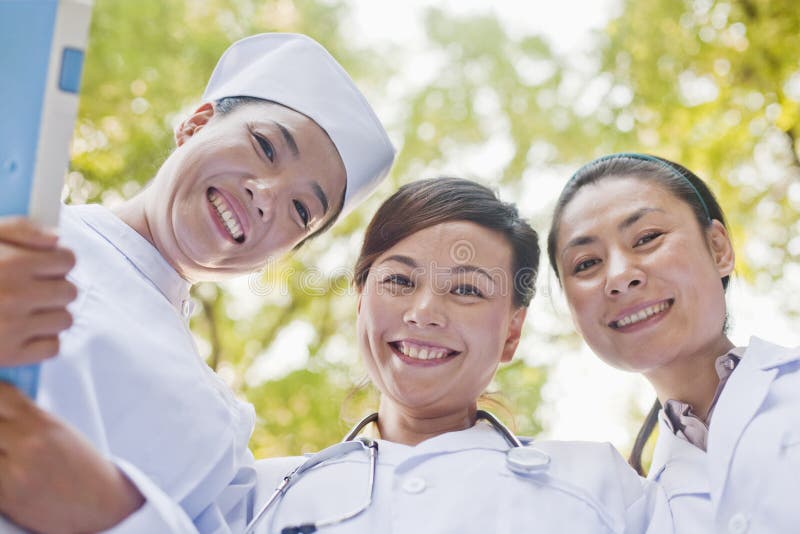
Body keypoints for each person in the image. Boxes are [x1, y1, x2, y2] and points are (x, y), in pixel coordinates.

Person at [0, 33, 394, 533]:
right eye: (265, 146)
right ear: (196, 123)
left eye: (301, 210)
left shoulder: (216, 430)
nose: (265, 195)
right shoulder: (18, 216)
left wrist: (114, 510)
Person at [246, 177, 672, 534]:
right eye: (399, 280)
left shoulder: (600, 486)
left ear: (512, 332)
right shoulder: (260, 495)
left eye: (467, 289)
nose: (424, 312)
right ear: (360, 303)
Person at [546, 153, 800, 533]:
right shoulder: (637, 506)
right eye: (585, 264)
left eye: (647, 238)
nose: (618, 276)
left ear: (719, 249)